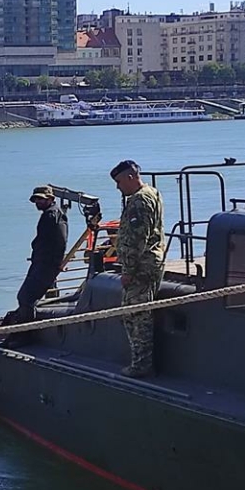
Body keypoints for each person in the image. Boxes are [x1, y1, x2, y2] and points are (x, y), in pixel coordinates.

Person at [110, 160, 165, 378]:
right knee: (136, 313)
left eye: (119, 181)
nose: (118, 187)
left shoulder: (139, 201)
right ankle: (141, 362)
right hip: (151, 262)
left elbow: (136, 240)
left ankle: (141, 365)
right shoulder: (153, 193)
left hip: (142, 267)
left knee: (137, 316)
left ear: (131, 177)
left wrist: (128, 271)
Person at [5, 185, 68, 326]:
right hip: (41, 262)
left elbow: (61, 241)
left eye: (41, 199)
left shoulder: (53, 215)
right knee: (26, 297)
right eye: (36, 199)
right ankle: (25, 329)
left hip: (46, 264)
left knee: (26, 297)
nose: (38, 202)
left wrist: (55, 262)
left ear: (51, 199)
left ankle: (26, 332)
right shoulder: (49, 214)